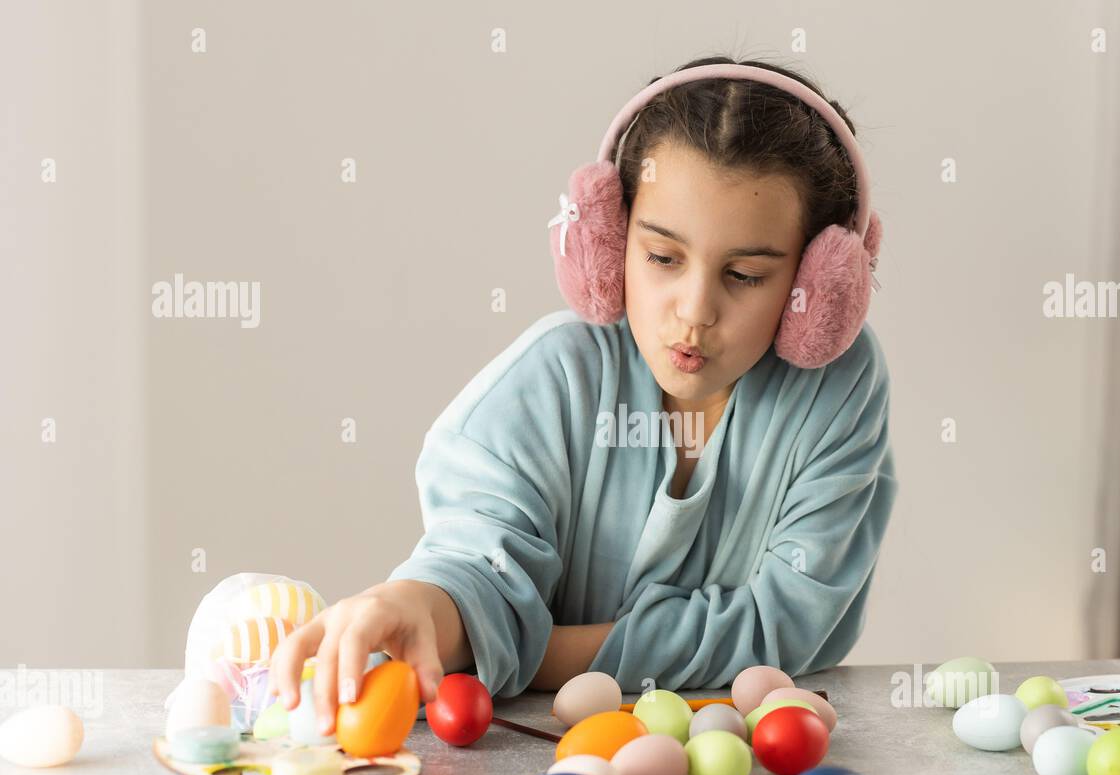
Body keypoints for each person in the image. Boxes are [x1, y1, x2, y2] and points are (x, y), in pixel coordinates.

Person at [270, 55, 898, 736]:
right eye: (662, 258)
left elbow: (786, 622)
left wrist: (527, 653)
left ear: (819, 286)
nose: (694, 310)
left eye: (745, 274)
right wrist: (422, 602)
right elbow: (479, 562)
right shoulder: (552, 378)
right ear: (607, 242)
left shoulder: (837, 386)